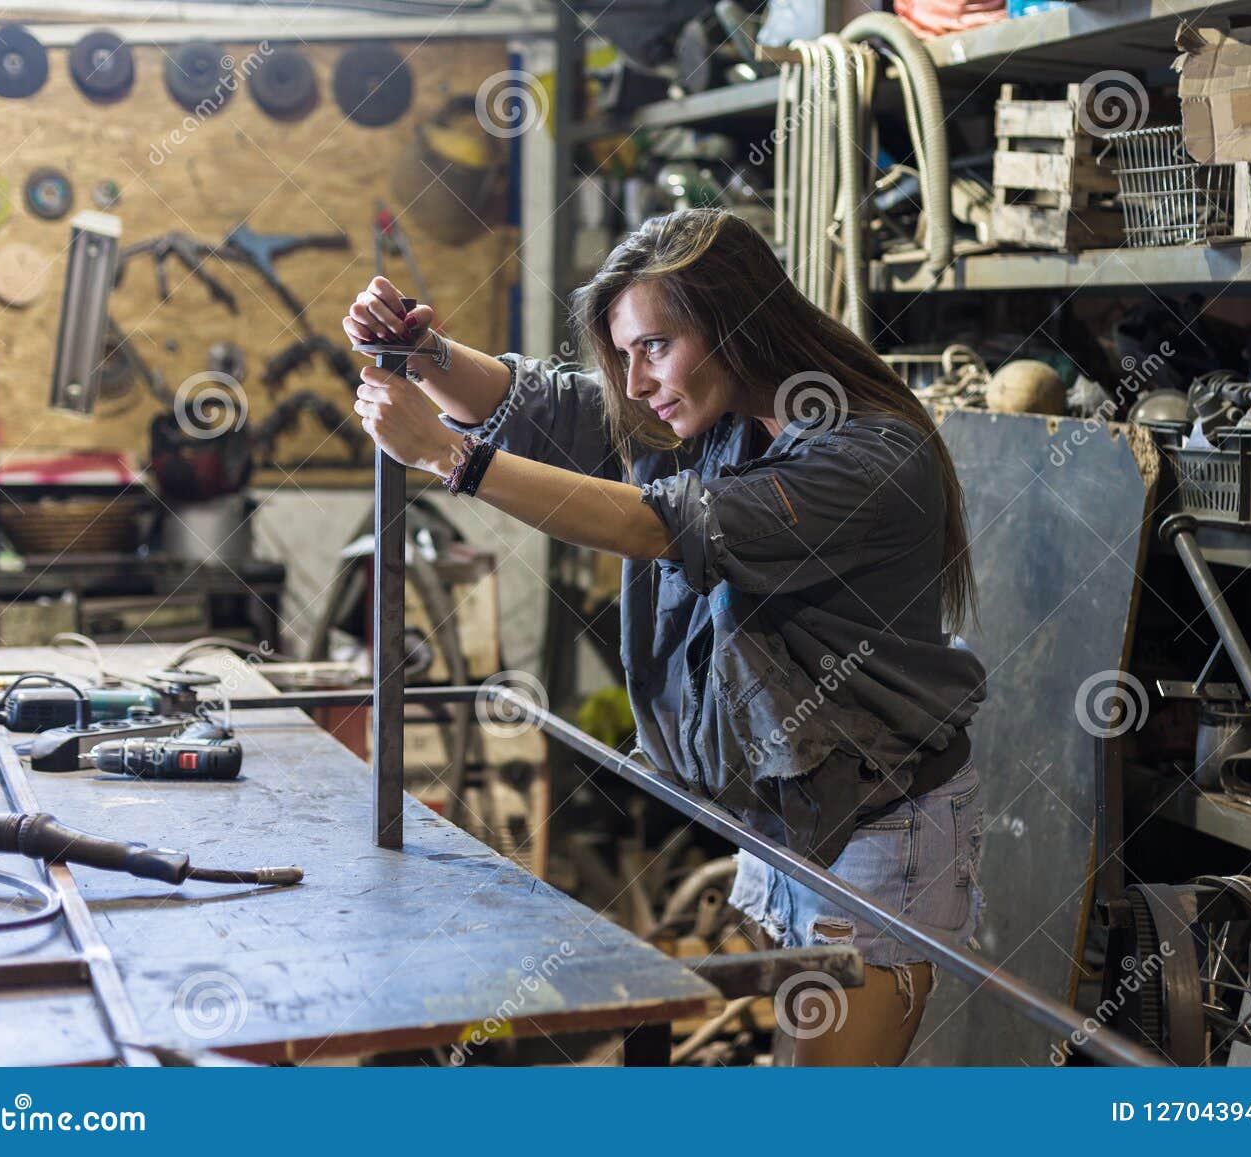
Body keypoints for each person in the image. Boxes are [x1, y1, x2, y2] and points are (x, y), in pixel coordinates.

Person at [344, 207, 988, 1066]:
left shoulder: (869, 457)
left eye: (653, 347)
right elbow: (546, 409)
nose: (638, 382)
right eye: (624, 355)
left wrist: (453, 460)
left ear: (735, 322)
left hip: (880, 827)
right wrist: (427, 356)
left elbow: (662, 527)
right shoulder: (720, 418)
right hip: (787, 811)